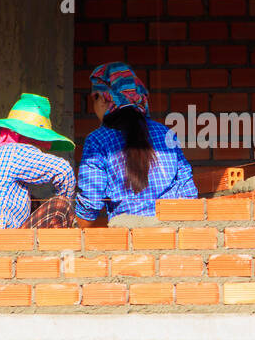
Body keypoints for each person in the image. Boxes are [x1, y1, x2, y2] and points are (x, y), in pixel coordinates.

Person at [75, 62, 197, 226]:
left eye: (93, 98)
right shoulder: (165, 133)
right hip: (173, 235)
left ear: (103, 98)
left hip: (128, 241)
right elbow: (189, 193)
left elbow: (90, 203)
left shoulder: (97, 140)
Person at [0, 93, 77, 229]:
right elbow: (64, 171)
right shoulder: (13, 151)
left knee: (33, 202)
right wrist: (66, 204)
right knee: (60, 206)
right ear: (29, 138)